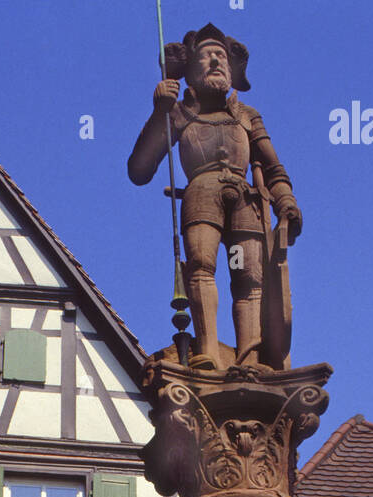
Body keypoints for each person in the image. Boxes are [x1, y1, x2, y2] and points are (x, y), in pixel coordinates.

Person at [128, 23, 300, 369]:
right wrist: (159, 111)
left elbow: (273, 166)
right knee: (202, 267)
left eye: (220, 55)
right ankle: (207, 350)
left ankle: (249, 358)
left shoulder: (247, 116)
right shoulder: (181, 113)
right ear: (190, 70)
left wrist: (285, 201)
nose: (215, 61)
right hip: (202, 194)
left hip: (247, 201)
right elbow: (140, 169)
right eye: (206, 56)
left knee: (249, 279)